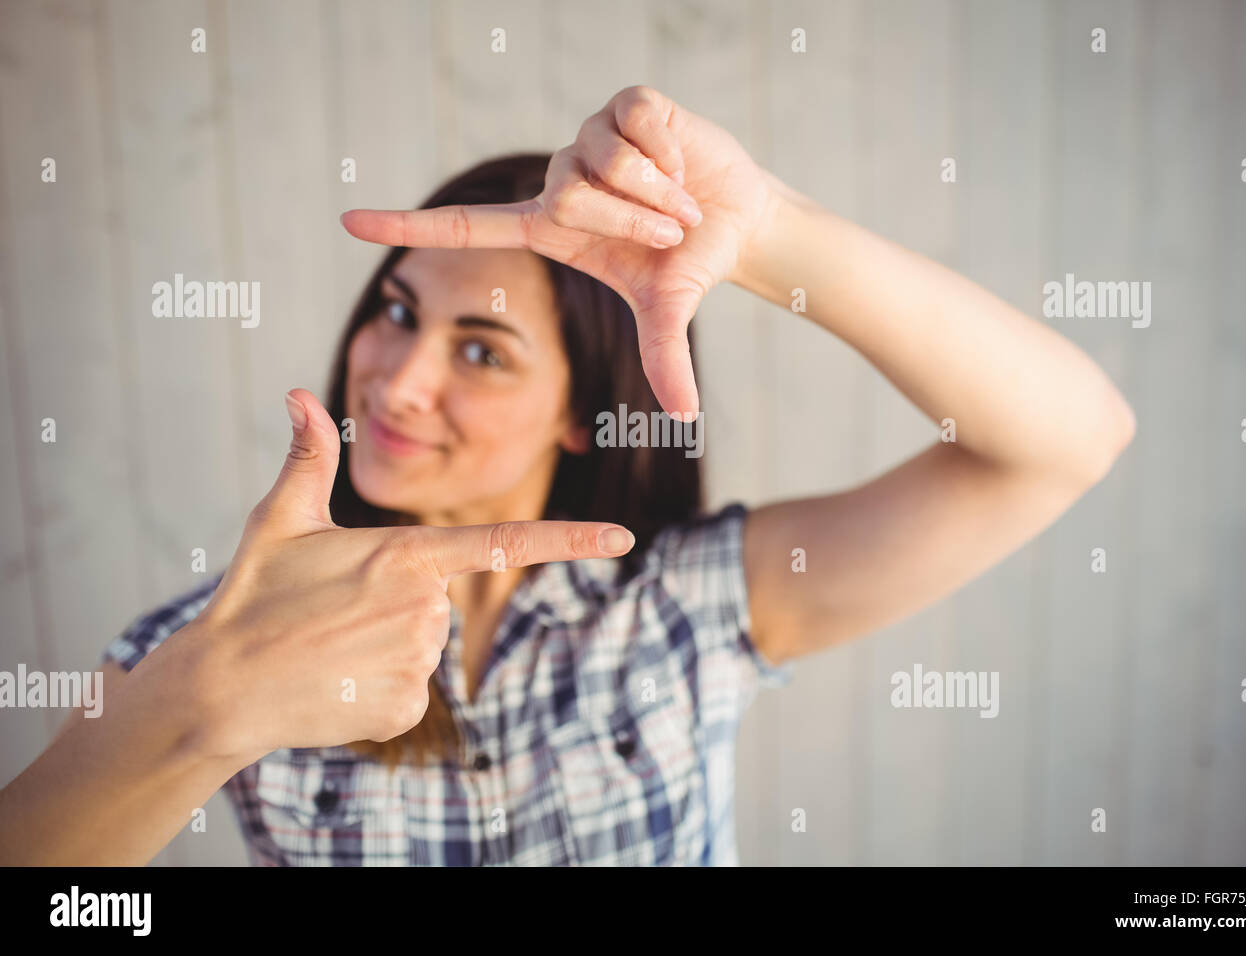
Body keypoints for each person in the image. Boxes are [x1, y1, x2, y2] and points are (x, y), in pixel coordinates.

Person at [0, 86, 1134, 866]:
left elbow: (1067, 438)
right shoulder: (217, 639)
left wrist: (765, 234)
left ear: (591, 414)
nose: (393, 382)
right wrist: (204, 703)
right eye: (397, 311)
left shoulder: (681, 610)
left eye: (480, 349)